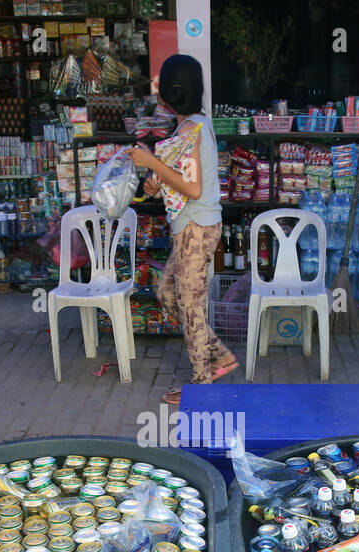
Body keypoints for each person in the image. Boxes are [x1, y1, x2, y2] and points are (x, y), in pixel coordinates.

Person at [129, 55, 237, 406]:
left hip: (196, 227)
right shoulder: (186, 127)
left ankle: (201, 382)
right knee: (167, 295)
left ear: (169, 96)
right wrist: (152, 180)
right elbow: (178, 177)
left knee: (190, 306)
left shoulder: (193, 129)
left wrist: (151, 162)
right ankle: (218, 353)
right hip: (189, 228)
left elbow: (191, 189)